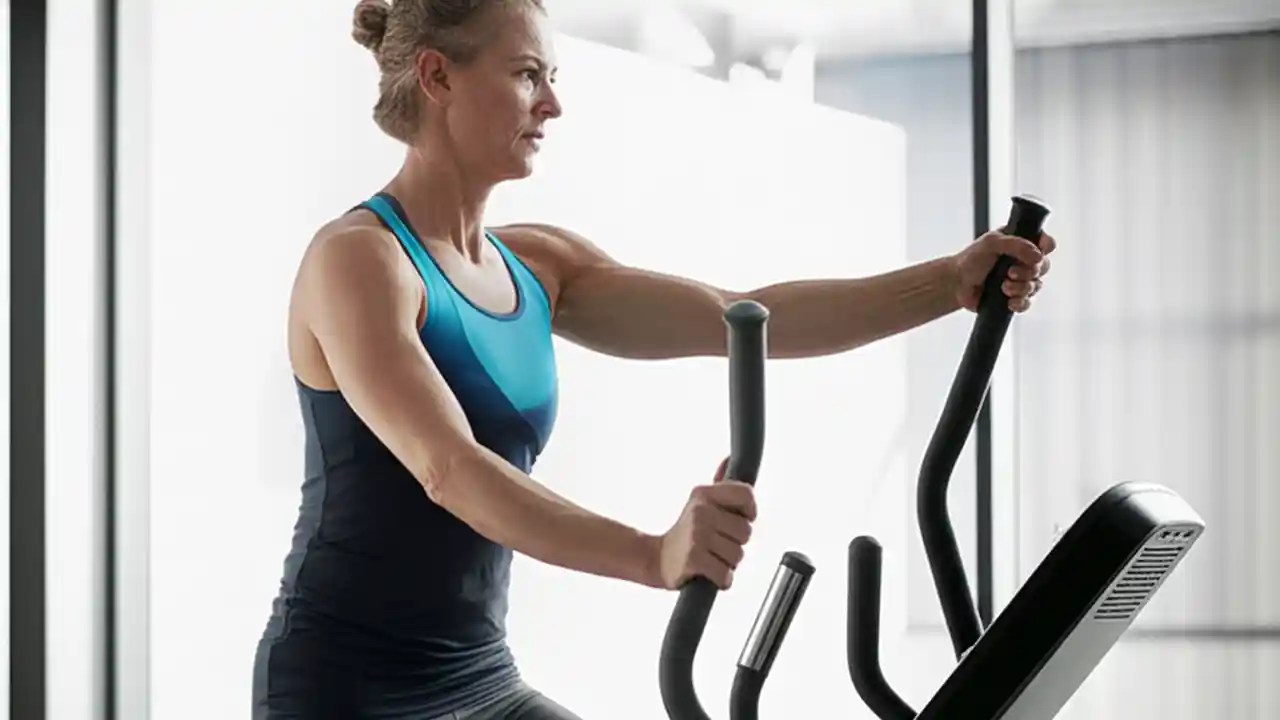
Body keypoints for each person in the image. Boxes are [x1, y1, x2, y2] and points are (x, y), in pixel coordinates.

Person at [251, 0, 1057, 718]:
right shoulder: (360, 261)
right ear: (437, 76)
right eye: (528, 74)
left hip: (478, 675)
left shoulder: (537, 266)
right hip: (342, 684)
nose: (554, 103)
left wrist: (949, 281)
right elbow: (449, 469)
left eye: (553, 76)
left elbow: (746, 319)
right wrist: (652, 554)